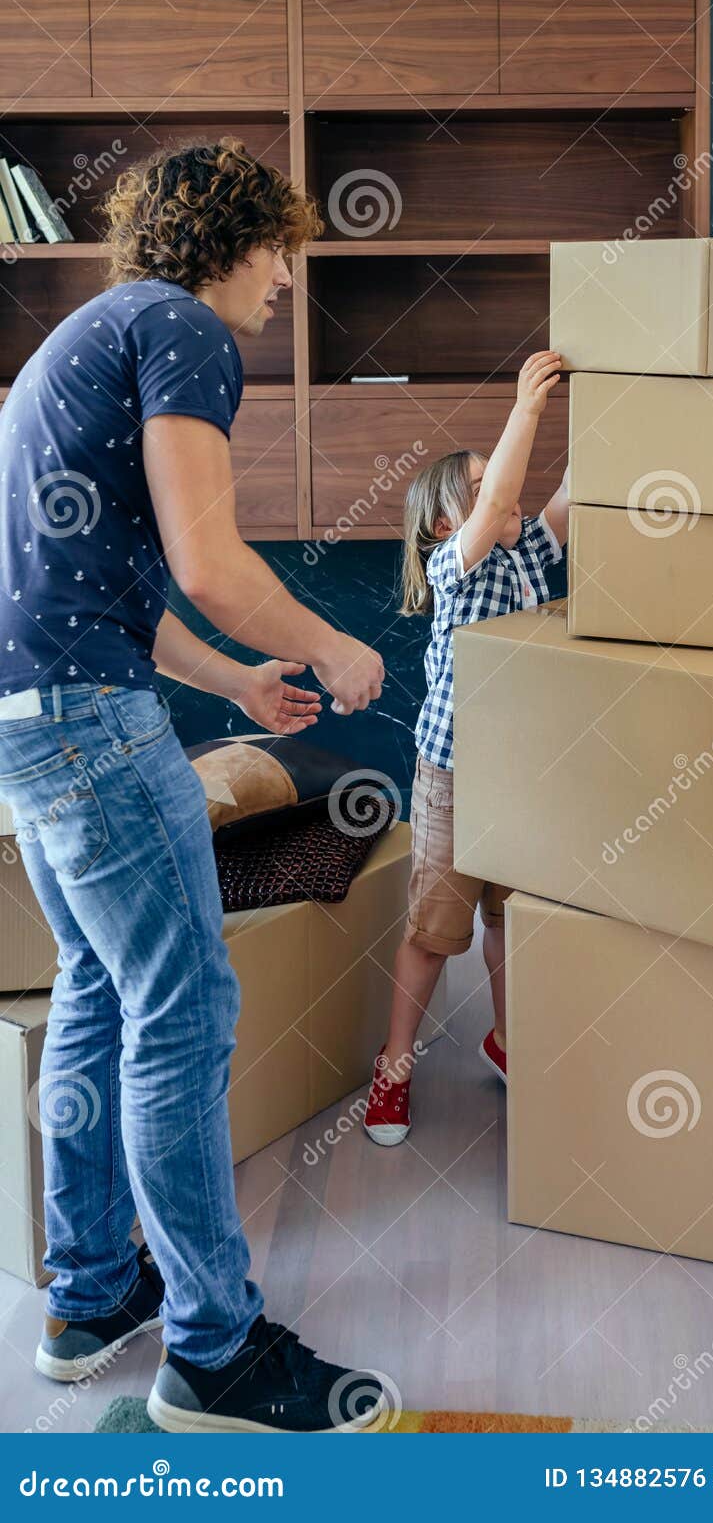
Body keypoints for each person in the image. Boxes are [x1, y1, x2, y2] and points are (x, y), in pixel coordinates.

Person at [0, 138, 389, 1433]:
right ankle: (215, 1353)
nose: (285, 281)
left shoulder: (86, 335)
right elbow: (210, 559)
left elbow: (115, 583)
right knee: (183, 1004)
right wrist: (336, 647)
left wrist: (232, 687)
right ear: (235, 236)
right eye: (283, 249)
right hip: (92, 730)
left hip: (32, 716)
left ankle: (89, 1294)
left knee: (102, 991)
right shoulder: (183, 328)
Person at [362, 352, 568, 1145]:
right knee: (432, 934)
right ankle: (394, 1065)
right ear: (445, 525)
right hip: (453, 777)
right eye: (477, 490)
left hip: (524, 779)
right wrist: (525, 407)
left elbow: (576, 486)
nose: (498, 496)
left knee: (511, 924)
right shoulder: (459, 565)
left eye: (496, 482)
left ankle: (508, 1042)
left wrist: (630, 385)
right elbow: (505, 502)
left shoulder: (529, 555)